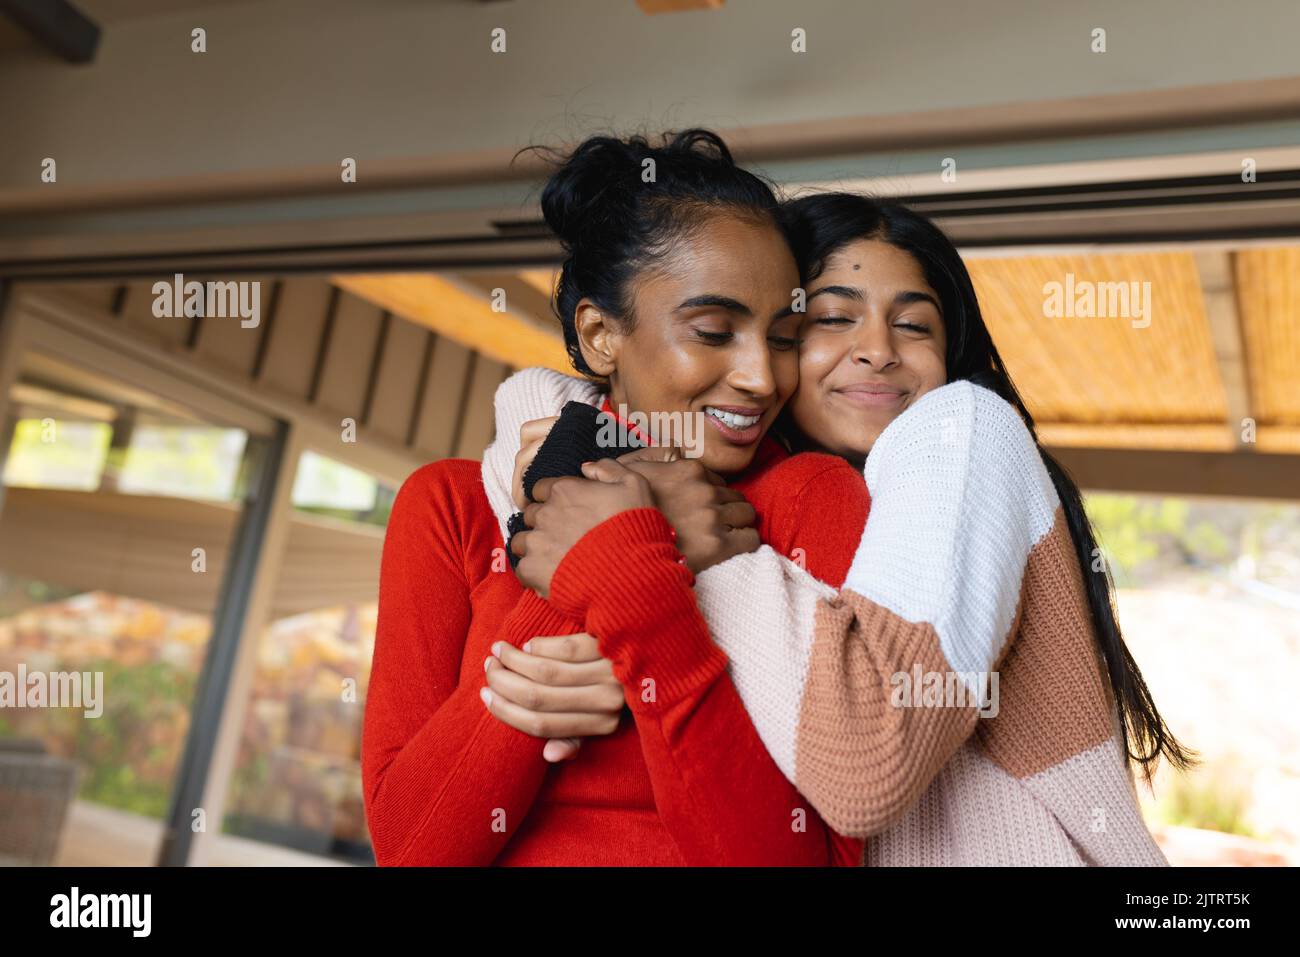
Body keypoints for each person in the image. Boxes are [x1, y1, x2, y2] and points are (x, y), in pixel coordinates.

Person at [489, 191, 1192, 865]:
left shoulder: (961, 431)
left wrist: (687, 542)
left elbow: (869, 758)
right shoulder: (780, 490)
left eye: (915, 325)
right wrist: (573, 452)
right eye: (831, 319)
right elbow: (556, 404)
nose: (879, 349)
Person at [361, 131, 866, 865]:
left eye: (783, 337)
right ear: (601, 335)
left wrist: (635, 586)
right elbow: (412, 850)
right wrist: (598, 536)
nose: (762, 376)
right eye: (715, 331)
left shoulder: (809, 499)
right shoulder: (451, 506)